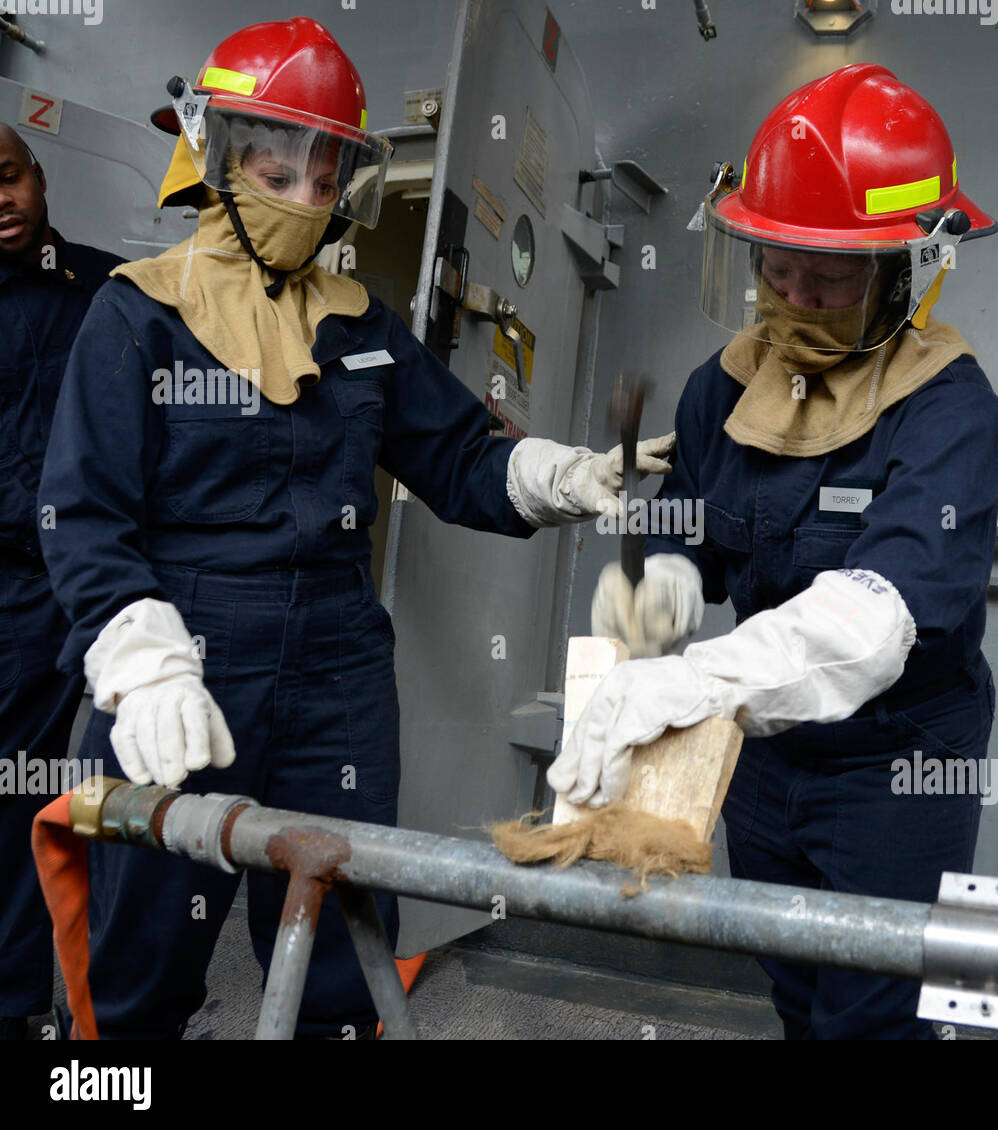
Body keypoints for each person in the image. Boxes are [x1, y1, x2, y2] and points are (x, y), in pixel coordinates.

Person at [36, 17, 670, 1040]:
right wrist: (141, 665)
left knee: (341, 931)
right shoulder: (136, 315)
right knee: (143, 946)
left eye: (325, 178)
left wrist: (567, 475)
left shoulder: (360, 323)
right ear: (215, 157)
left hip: (337, 662)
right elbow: (84, 517)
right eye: (275, 173)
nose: (304, 199)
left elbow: (460, 456)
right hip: (184, 648)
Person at [552, 64, 998, 1040]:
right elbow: (690, 524)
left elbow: (875, 617)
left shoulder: (949, 408)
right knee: (792, 989)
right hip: (763, 749)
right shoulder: (723, 387)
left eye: (830, 276)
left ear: (905, 269)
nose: (794, 297)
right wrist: (666, 584)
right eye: (774, 266)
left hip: (897, 763)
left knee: (874, 1013)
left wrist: (699, 681)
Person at [0, 125, 124, 1041]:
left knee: (28, 790)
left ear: (38, 176)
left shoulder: (108, 291)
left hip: (66, 580)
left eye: (7, 177)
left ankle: (26, 1008)